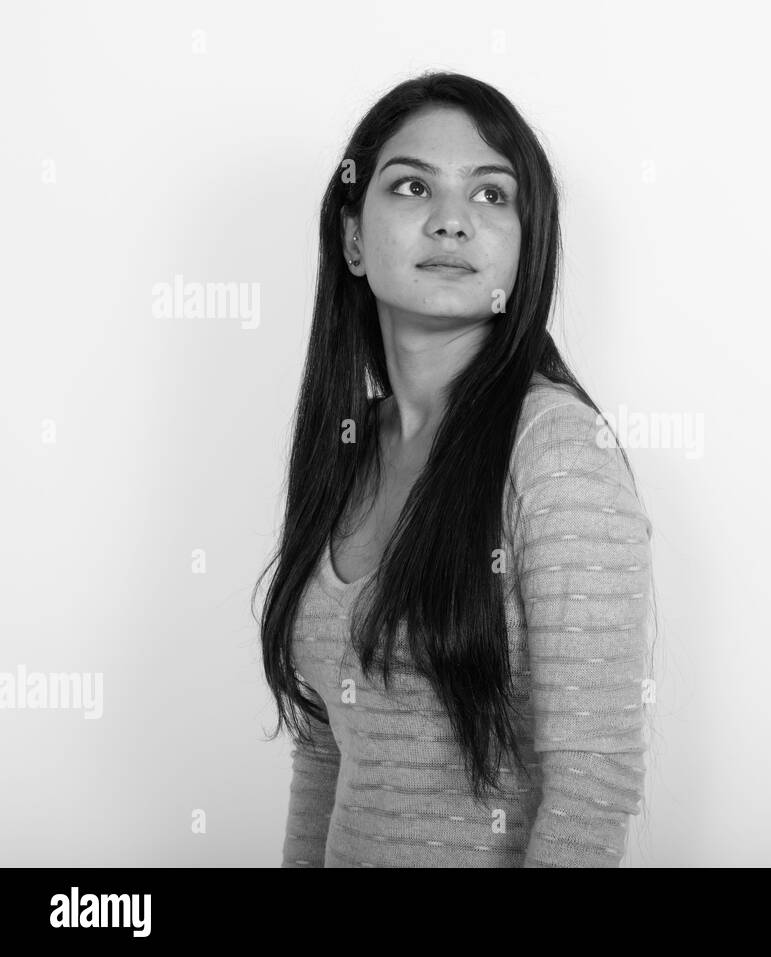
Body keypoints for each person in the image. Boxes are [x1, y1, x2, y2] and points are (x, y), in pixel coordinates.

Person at [253, 71, 655, 867]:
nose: (451, 220)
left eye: (491, 195)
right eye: (412, 186)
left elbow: (590, 788)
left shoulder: (556, 453)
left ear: (525, 247)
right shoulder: (346, 450)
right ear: (353, 238)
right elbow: (325, 750)